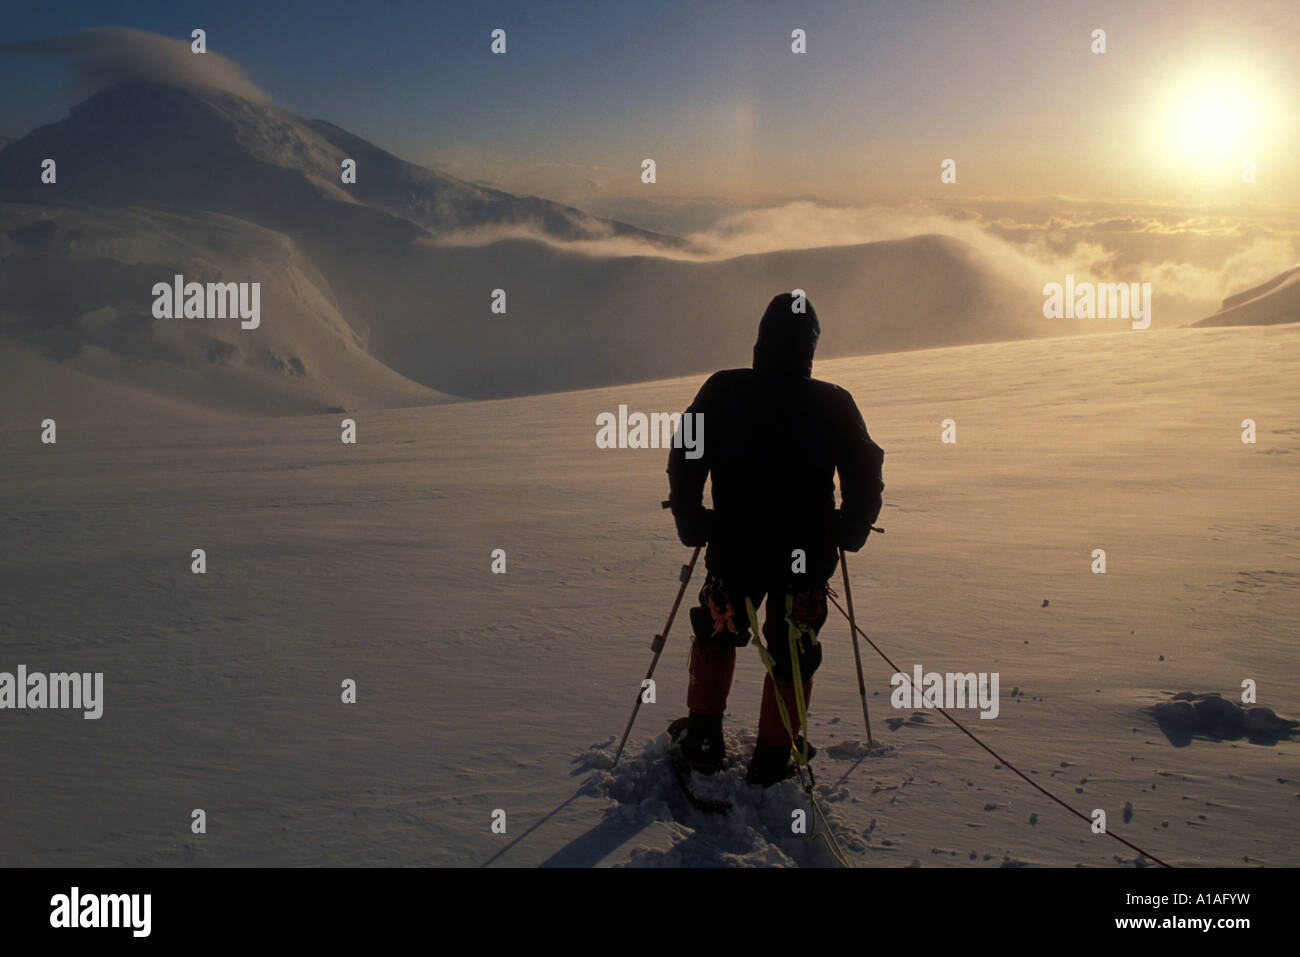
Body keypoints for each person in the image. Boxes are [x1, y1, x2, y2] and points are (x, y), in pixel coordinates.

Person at [666, 292, 885, 786]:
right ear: (810, 346)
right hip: (804, 550)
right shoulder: (832, 401)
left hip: (734, 540)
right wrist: (850, 528)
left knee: (718, 627)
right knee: (794, 644)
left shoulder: (724, 390)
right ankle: (773, 754)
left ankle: (702, 740)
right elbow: (864, 468)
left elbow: (687, 452)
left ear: (761, 339)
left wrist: (690, 516)